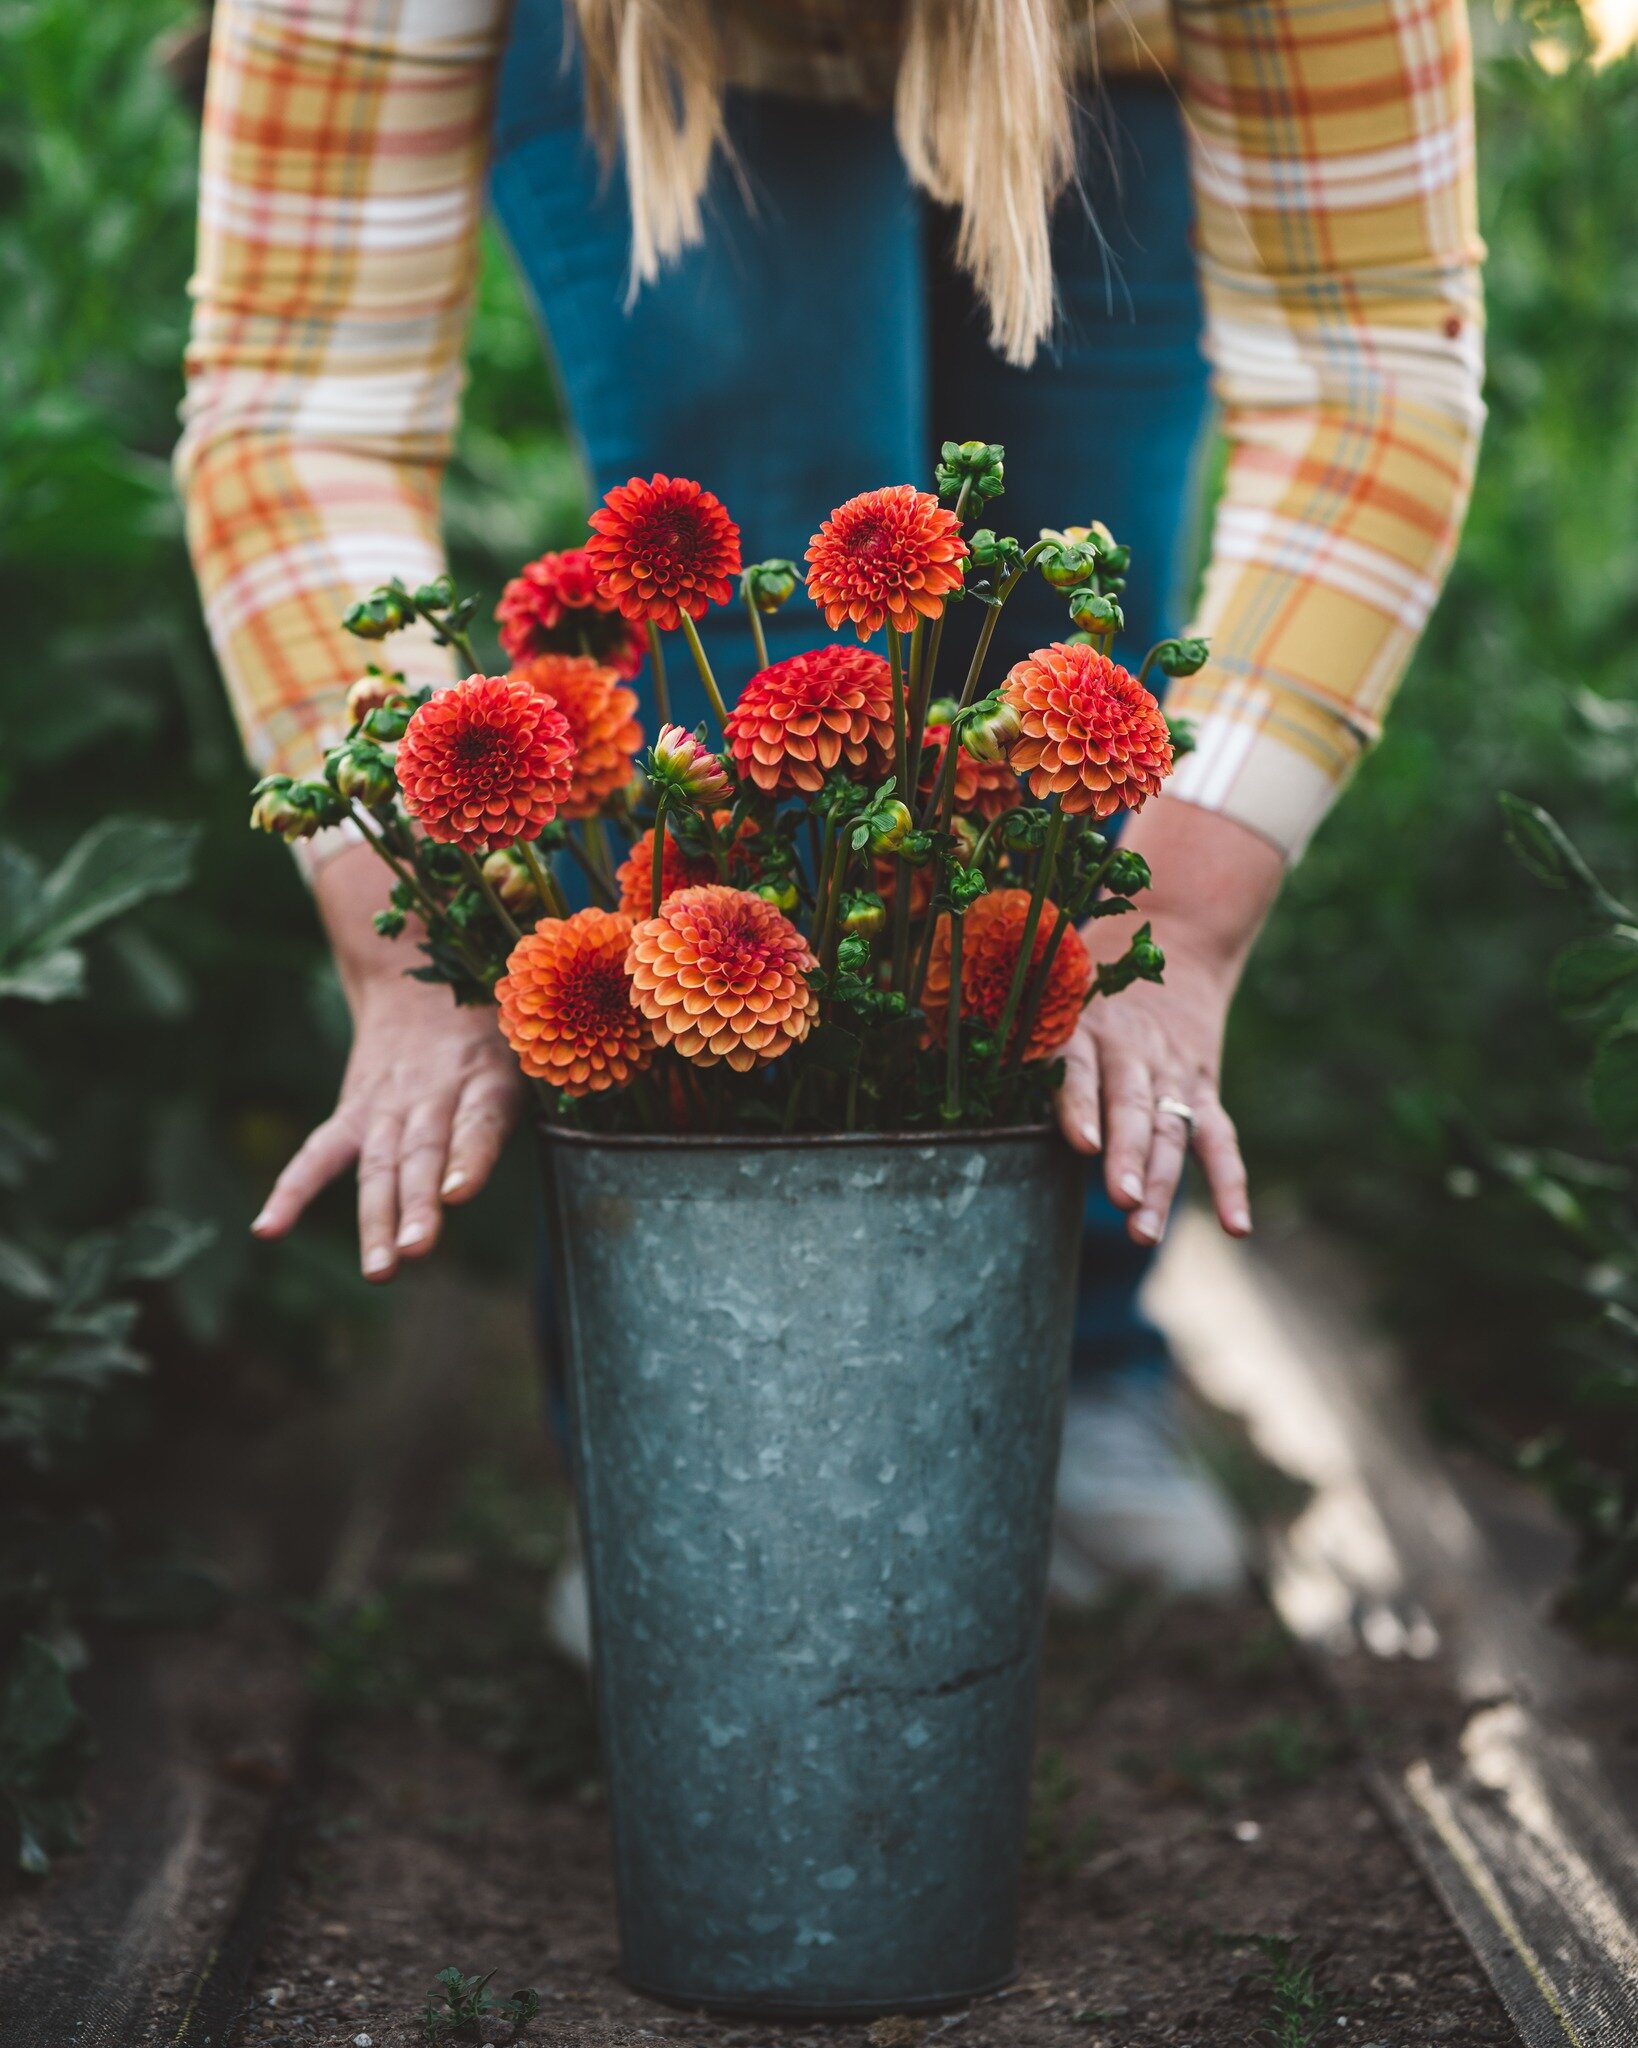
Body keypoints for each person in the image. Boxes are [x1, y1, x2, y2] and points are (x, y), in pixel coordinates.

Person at [175, 0, 1484, 1606]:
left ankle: (1074, 1356)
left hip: (1110, 46)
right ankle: (701, 1437)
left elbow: (1370, 384)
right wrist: (415, 931)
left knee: (1071, 656)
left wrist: (1181, 912)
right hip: (656, 60)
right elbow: (297, 411)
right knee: (760, 601)